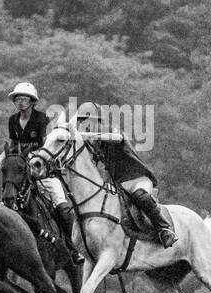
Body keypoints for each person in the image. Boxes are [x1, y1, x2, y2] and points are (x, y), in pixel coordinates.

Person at [0, 82, 83, 264]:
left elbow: (46, 146)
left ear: (32, 101)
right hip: (23, 169)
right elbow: (13, 146)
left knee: (61, 206)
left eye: (24, 99)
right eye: (17, 99)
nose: (20, 102)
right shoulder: (13, 120)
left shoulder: (41, 119)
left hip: (42, 170)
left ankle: (74, 249)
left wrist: (33, 160)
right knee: (8, 200)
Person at [74, 102, 177, 248]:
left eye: (89, 121)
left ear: (99, 121)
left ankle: (165, 229)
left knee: (140, 196)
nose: (86, 124)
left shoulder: (111, 130)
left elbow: (117, 137)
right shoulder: (92, 144)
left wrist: (86, 135)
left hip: (137, 178)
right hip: (117, 184)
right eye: (82, 121)